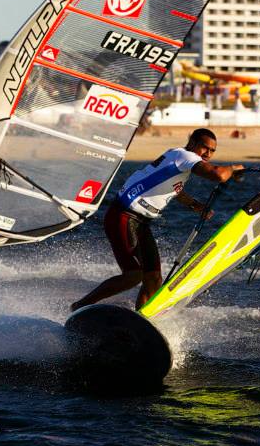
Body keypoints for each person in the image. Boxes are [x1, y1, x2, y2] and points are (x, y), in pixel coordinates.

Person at [70, 128, 245, 312]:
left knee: (153, 277)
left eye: (212, 151)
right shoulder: (185, 156)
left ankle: (142, 318)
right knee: (134, 275)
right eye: (205, 148)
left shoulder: (176, 156)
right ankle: (80, 306)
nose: (208, 154)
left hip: (139, 222)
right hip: (123, 216)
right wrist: (232, 169)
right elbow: (218, 175)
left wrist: (194, 204)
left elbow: (170, 187)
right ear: (193, 143)